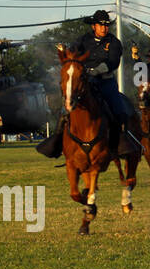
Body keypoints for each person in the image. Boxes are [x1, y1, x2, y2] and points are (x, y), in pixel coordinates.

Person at [36, 9, 142, 158]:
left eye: (106, 25)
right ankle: (58, 141)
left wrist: (97, 70)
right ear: (94, 26)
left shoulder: (114, 42)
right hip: (86, 82)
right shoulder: (83, 40)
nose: (104, 28)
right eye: (100, 25)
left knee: (119, 110)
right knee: (66, 108)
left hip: (106, 82)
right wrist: (65, 51)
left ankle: (119, 143)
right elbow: (72, 54)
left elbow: (113, 62)